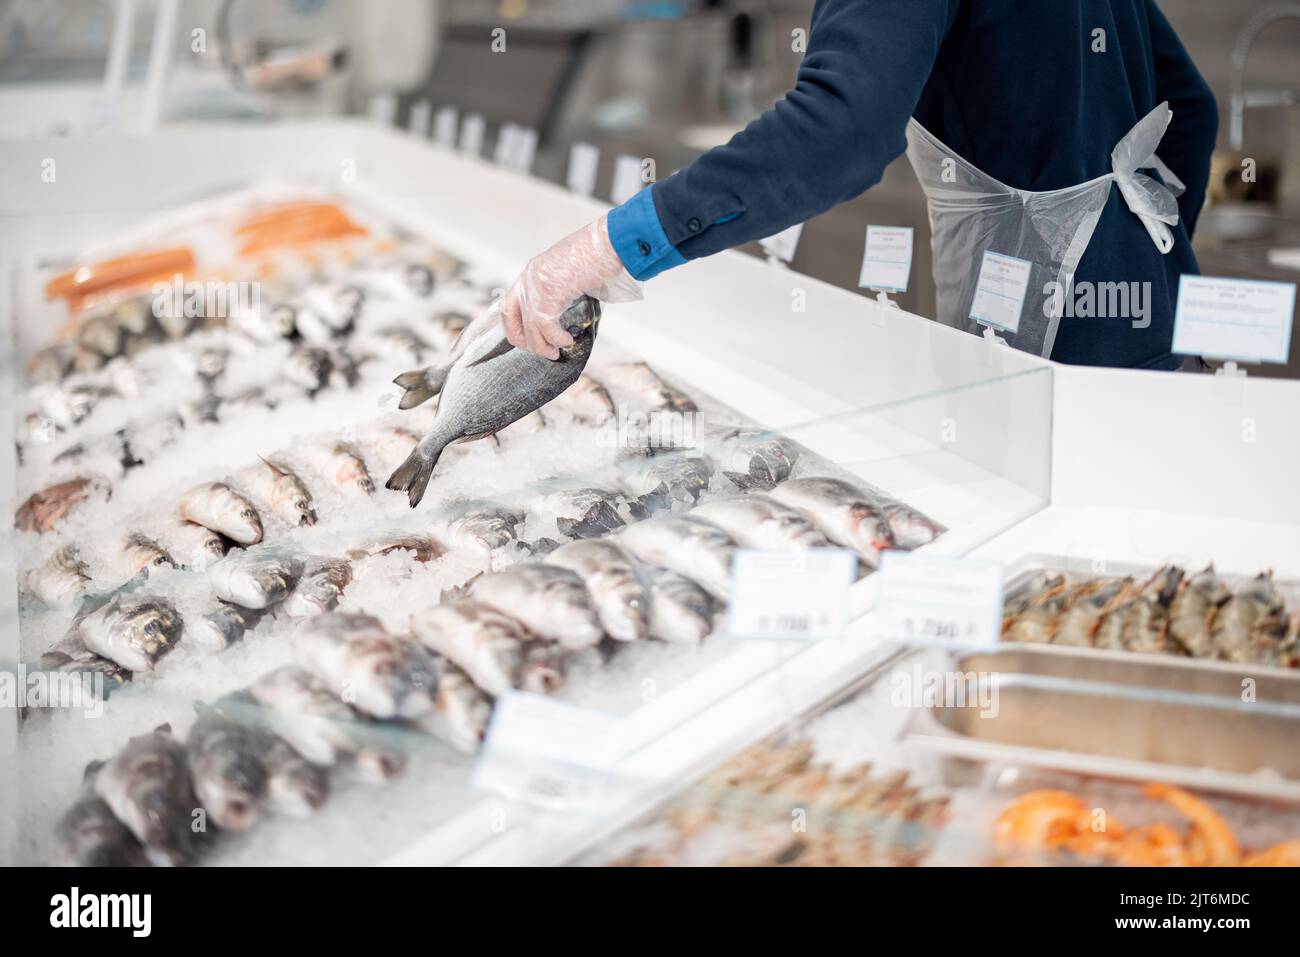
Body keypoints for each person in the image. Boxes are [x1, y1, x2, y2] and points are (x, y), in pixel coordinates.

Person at [499, 0, 1217, 371]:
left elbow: (836, 136)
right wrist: (1141, 259)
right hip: (1150, 322)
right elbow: (1190, 108)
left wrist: (608, 246)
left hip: (1046, 341)